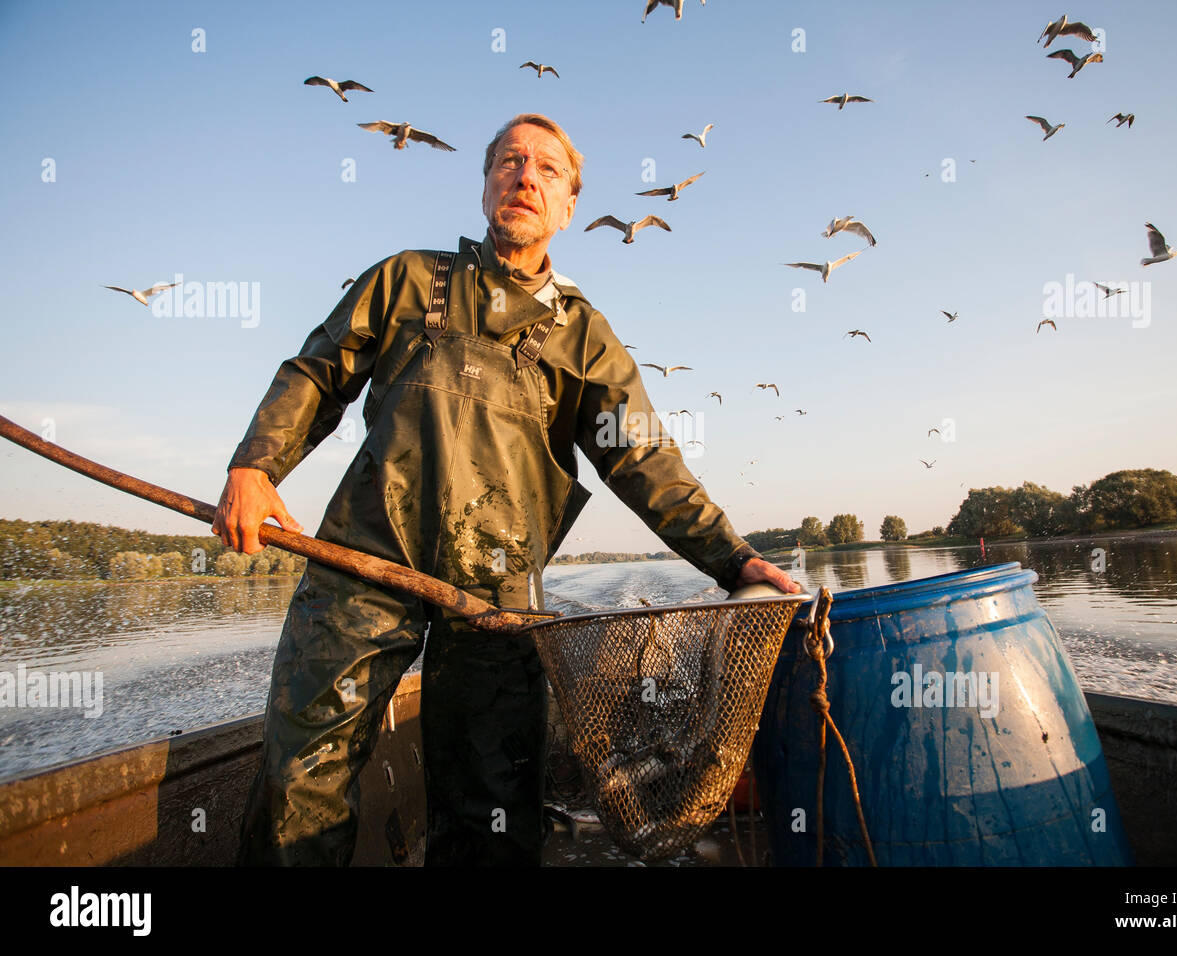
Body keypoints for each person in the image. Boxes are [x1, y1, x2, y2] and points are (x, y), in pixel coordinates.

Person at [214, 113, 799, 866]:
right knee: (301, 781)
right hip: (362, 565)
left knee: (490, 802)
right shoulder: (406, 279)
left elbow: (643, 461)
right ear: (486, 183)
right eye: (509, 162)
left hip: (496, 597)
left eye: (548, 170)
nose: (526, 176)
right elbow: (316, 373)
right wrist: (256, 467)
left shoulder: (586, 336)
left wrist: (733, 560)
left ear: (568, 208)